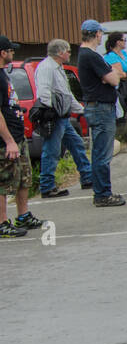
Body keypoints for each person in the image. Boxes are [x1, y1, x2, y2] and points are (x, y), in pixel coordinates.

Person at [75, 20, 126, 207]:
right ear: (97, 34)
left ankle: (102, 191)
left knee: (99, 151)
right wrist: (113, 73)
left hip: (96, 106)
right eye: (100, 33)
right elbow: (113, 79)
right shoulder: (92, 56)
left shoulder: (85, 54)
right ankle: (103, 194)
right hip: (101, 108)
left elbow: (113, 76)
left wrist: (112, 73)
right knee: (102, 154)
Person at [33, 39, 92, 197]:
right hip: (55, 116)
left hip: (63, 115)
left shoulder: (58, 67)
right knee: (51, 150)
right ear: (60, 52)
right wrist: (52, 111)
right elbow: (43, 92)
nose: (69, 54)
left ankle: (87, 176)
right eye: (68, 51)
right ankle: (47, 186)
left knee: (77, 144)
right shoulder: (47, 68)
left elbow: (66, 94)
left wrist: (80, 110)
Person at [0, 34, 42, 237]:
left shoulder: (4, 74)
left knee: (24, 177)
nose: (13, 53)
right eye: (11, 50)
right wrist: (8, 141)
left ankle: (23, 215)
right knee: (3, 181)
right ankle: (1, 223)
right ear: (3, 53)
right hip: (5, 140)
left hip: (17, 135)